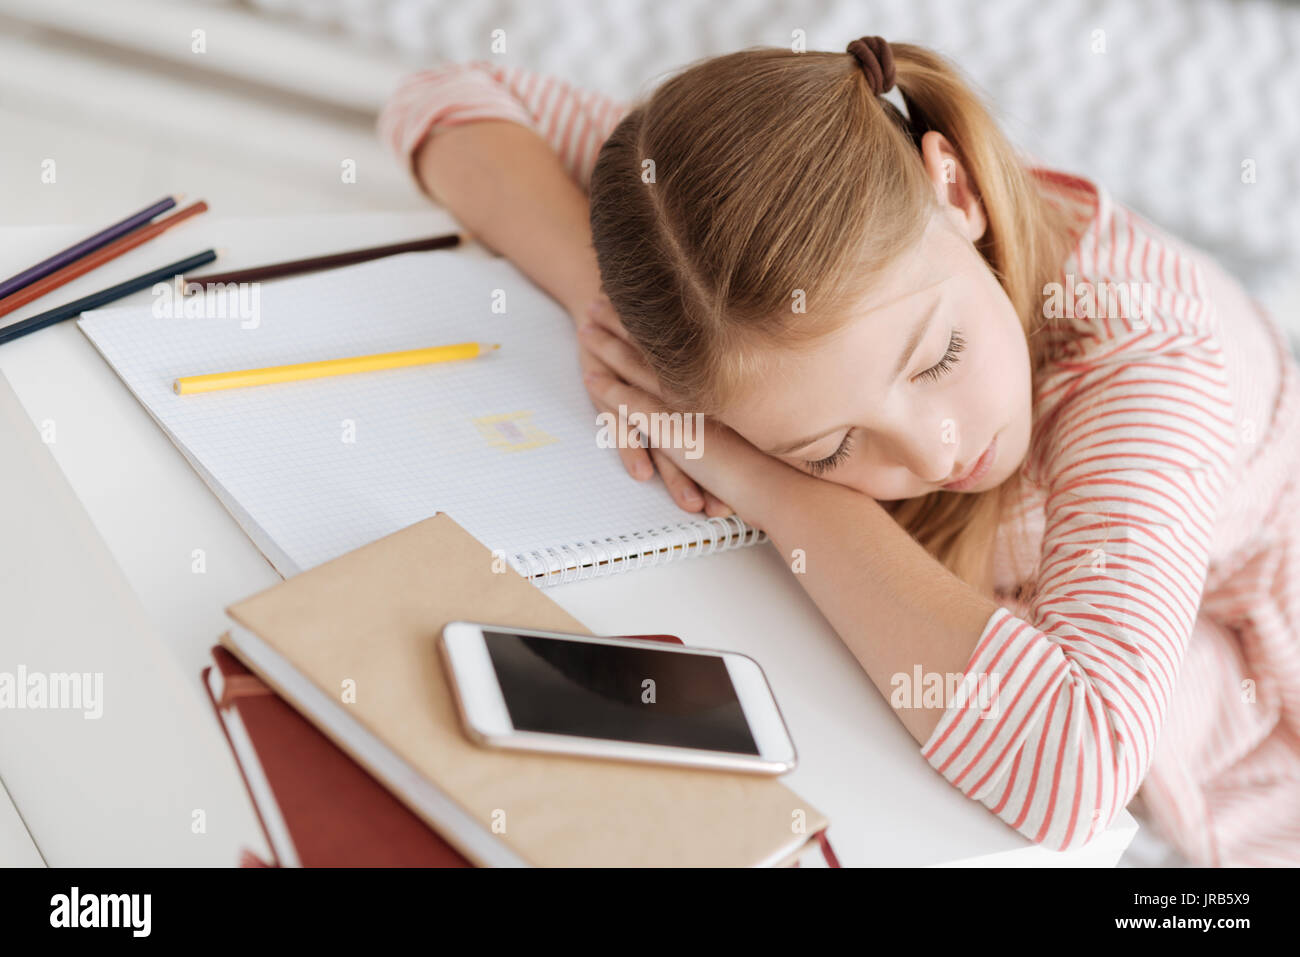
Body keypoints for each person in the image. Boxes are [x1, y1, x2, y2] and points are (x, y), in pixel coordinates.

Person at [379, 36, 1300, 866]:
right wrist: (626, 323)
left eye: (939, 357)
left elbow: (1075, 765)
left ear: (957, 191)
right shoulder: (711, 235)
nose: (936, 451)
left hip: (1251, 616)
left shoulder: (1148, 362)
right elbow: (445, 98)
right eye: (829, 445)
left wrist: (775, 482)